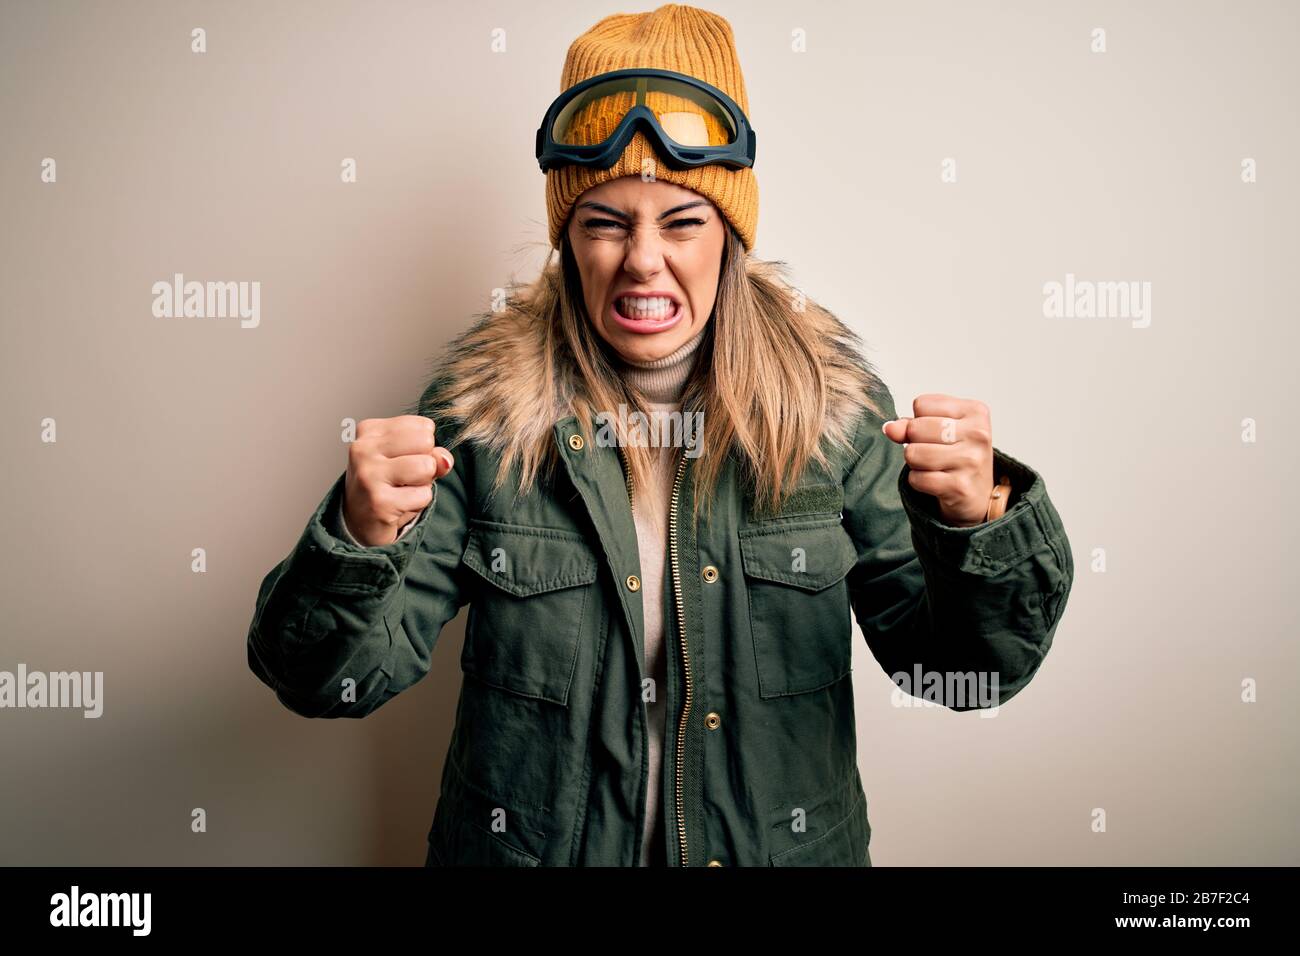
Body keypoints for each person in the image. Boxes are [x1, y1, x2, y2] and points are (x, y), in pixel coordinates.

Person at [246, 3, 1074, 867]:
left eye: (682, 222)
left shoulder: (835, 415)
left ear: (730, 239)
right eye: (605, 222)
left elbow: (961, 672)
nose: (643, 258)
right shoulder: (482, 418)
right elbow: (325, 684)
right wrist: (356, 536)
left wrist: (981, 526)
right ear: (568, 238)